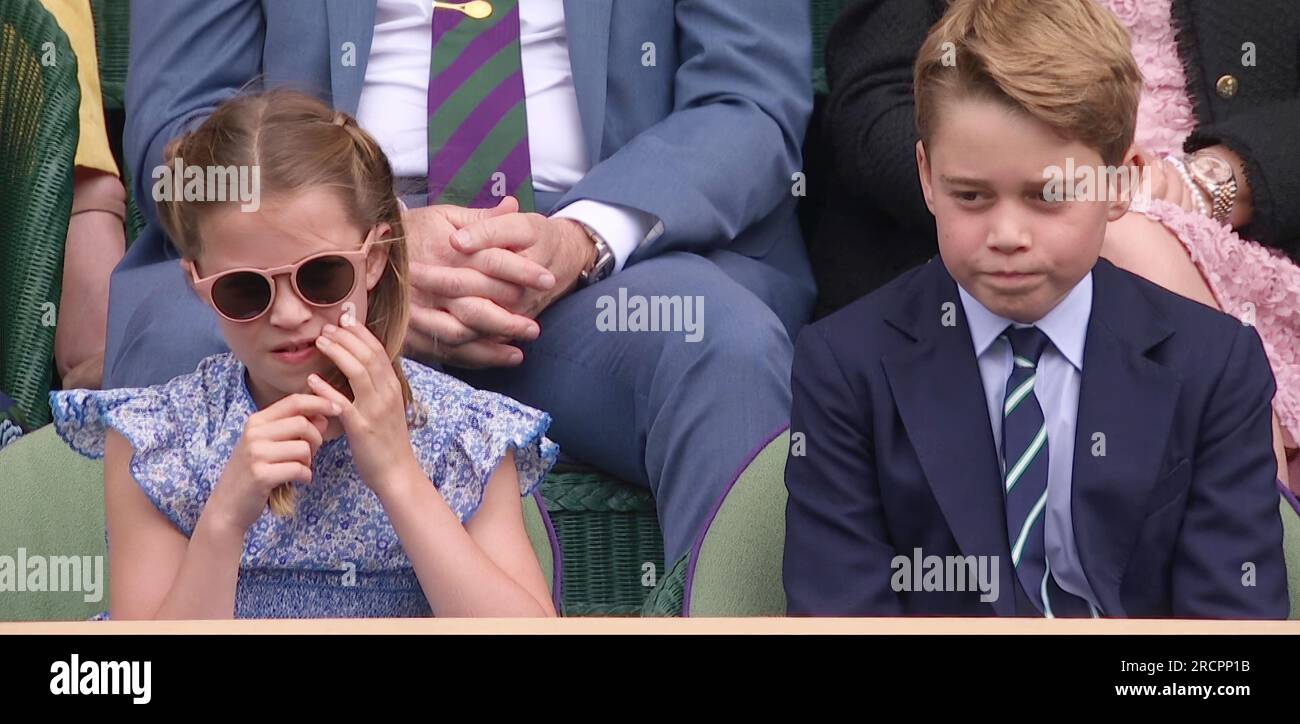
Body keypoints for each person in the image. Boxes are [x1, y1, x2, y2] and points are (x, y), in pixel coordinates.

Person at [108, 0, 816, 567]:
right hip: (306, 263)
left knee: (722, 347)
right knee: (175, 341)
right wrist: (362, 252)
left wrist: (581, 238)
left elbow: (746, 99)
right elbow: (182, 127)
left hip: (591, 272)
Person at [784, 0, 1289, 618]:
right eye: (970, 195)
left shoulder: (1215, 365)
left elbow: (1227, 646)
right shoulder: (846, 368)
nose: (1007, 234)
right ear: (926, 175)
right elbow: (842, 614)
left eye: (1048, 195)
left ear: (1122, 183)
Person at [52, 91, 559, 619]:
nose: (290, 315)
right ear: (199, 285)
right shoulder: (163, 438)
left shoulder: (462, 432)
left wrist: (399, 476)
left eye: (321, 275)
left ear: (374, 260)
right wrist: (223, 521)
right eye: (245, 289)